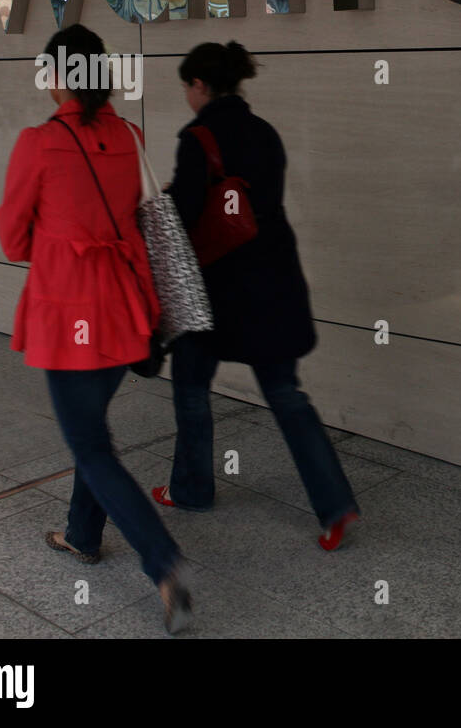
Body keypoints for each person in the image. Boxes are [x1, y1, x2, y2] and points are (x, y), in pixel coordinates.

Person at [0, 24, 192, 634]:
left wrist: (54, 243)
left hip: (67, 314)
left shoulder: (38, 142)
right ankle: (83, 534)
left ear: (57, 77)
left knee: (90, 446)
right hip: (126, 313)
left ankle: (165, 565)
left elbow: (11, 239)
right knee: (92, 431)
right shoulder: (128, 135)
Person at [154, 41, 360, 552]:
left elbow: (181, 212)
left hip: (214, 289)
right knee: (287, 396)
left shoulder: (198, 137)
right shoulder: (265, 133)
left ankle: (192, 489)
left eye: (186, 86)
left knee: (191, 390)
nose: (186, 95)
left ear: (200, 85)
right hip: (272, 284)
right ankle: (335, 507)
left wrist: (153, 204)